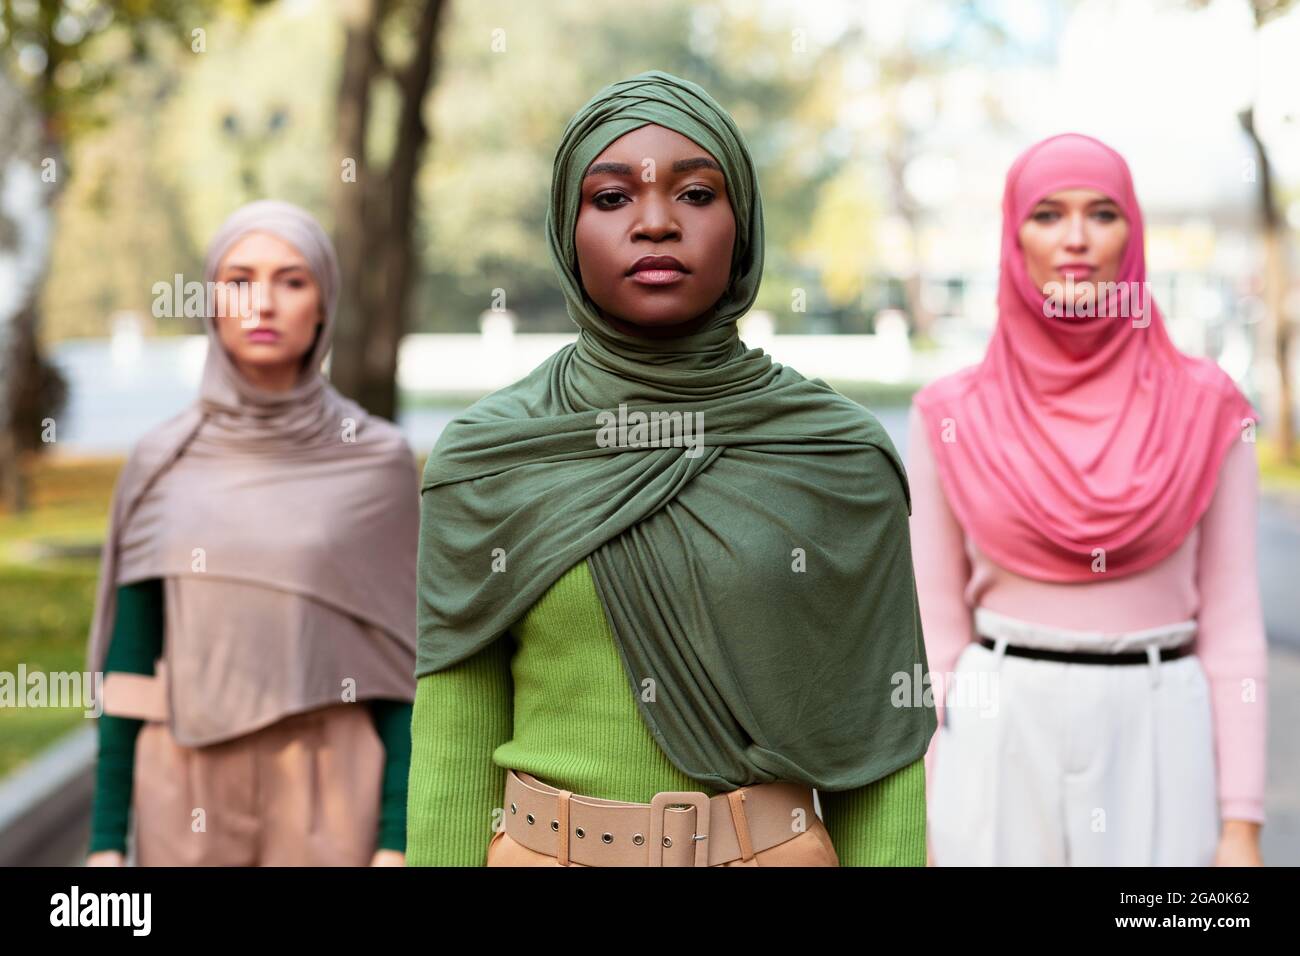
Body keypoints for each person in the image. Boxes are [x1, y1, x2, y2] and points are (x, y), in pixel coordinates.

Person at [407, 71, 934, 868]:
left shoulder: (833, 456)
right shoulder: (489, 457)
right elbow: (454, 737)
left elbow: (880, 757)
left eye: (695, 193)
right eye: (612, 198)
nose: (655, 223)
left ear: (743, 225)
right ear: (566, 227)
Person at [910, 133, 1267, 866]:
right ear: (1014, 239)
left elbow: (1232, 626)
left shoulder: (1209, 406)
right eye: (1047, 215)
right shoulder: (949, 412)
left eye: (1102, 214)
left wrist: (1241, 826)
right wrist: (928, 800)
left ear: (1133, 236)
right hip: (996, 731)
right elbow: (933, 636)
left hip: (1162, 726)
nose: (1075, 239)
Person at [84, 199, 419, 866]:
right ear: (210, 300)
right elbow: (132, 658)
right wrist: (103, 846)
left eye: (291, 281)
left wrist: (396, 837)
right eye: (239, 281)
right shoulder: (164, 460)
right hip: (184, 781)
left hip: (332, 780)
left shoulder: (375, 459)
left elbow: (402, 664)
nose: (262, 304)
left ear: (324, 303)